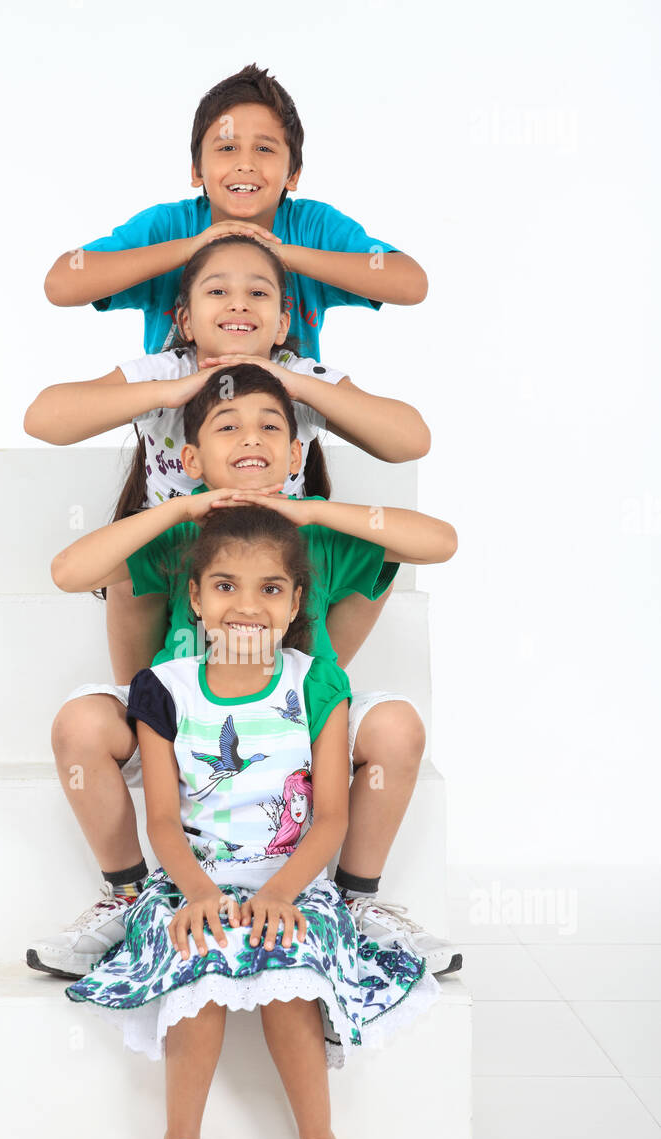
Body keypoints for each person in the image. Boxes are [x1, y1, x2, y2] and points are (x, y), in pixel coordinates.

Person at [65, 504, 442, 1139]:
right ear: (197, 599)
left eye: (271, 589)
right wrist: (199, 890)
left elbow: (329, 816)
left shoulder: (316, 687)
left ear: (298, 603)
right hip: (195, 877)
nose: (247, 605)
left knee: (288, 956)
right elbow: (165, 820)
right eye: (227, 586)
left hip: (290, 877)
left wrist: (279, 891)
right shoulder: (164, 689)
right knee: (201, 949)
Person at [26, 364, 459, 983]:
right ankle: (129, 898)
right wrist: (182, 511)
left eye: (270, 427)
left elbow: (440, 541)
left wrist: (313, 514)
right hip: (186, 725)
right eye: (228, 426)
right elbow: (69, 570)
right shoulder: (180, 534)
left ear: (294, 453)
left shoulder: (319, 533)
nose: (252, 438)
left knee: (397, 727)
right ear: (194, 459)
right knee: (80, 723)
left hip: (299, 721)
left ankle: (358, 902)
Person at [25, 233, 430, 682]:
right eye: (218, 291)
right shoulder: (168, 371)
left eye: (258, 293)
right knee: (128, 568)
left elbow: (411, 440)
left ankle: (315, 688)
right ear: (185, 320)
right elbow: (44, 419)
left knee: (370, 562)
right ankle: (139, 703)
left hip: (270, 541)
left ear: (281, 324)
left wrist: (289, 382)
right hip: (179, 539)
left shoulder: (298, 374)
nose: (238, 305)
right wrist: (172, 392)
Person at [42, 63, 427, 361]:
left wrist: (281, 254)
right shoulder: (168, 226)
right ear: (197, 171)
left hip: (276, 447)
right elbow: (62, 283)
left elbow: (410, 283)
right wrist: (189, 249)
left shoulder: (313, 227)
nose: (245, 164)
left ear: (292, 173)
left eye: (264, 149)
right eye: (226, 149)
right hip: (178, 444)